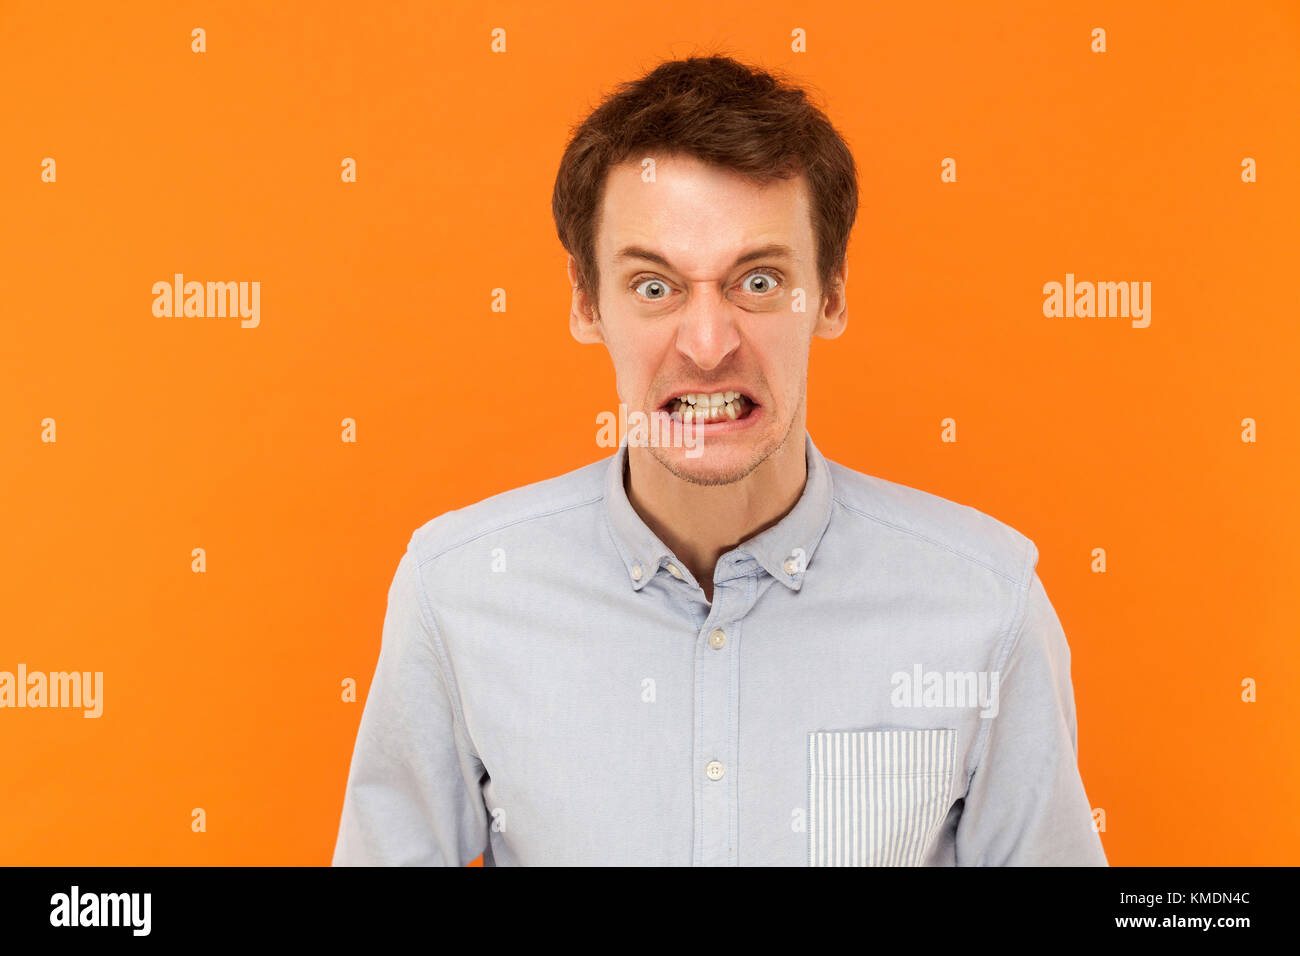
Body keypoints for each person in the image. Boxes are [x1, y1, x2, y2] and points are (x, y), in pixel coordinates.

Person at [331, 53, 1107, 866]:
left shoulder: (987, 605)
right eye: (655, 287)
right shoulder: (458, 591)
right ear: (586, 301)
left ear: (832, 294)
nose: (707, 346)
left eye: (760, 281)